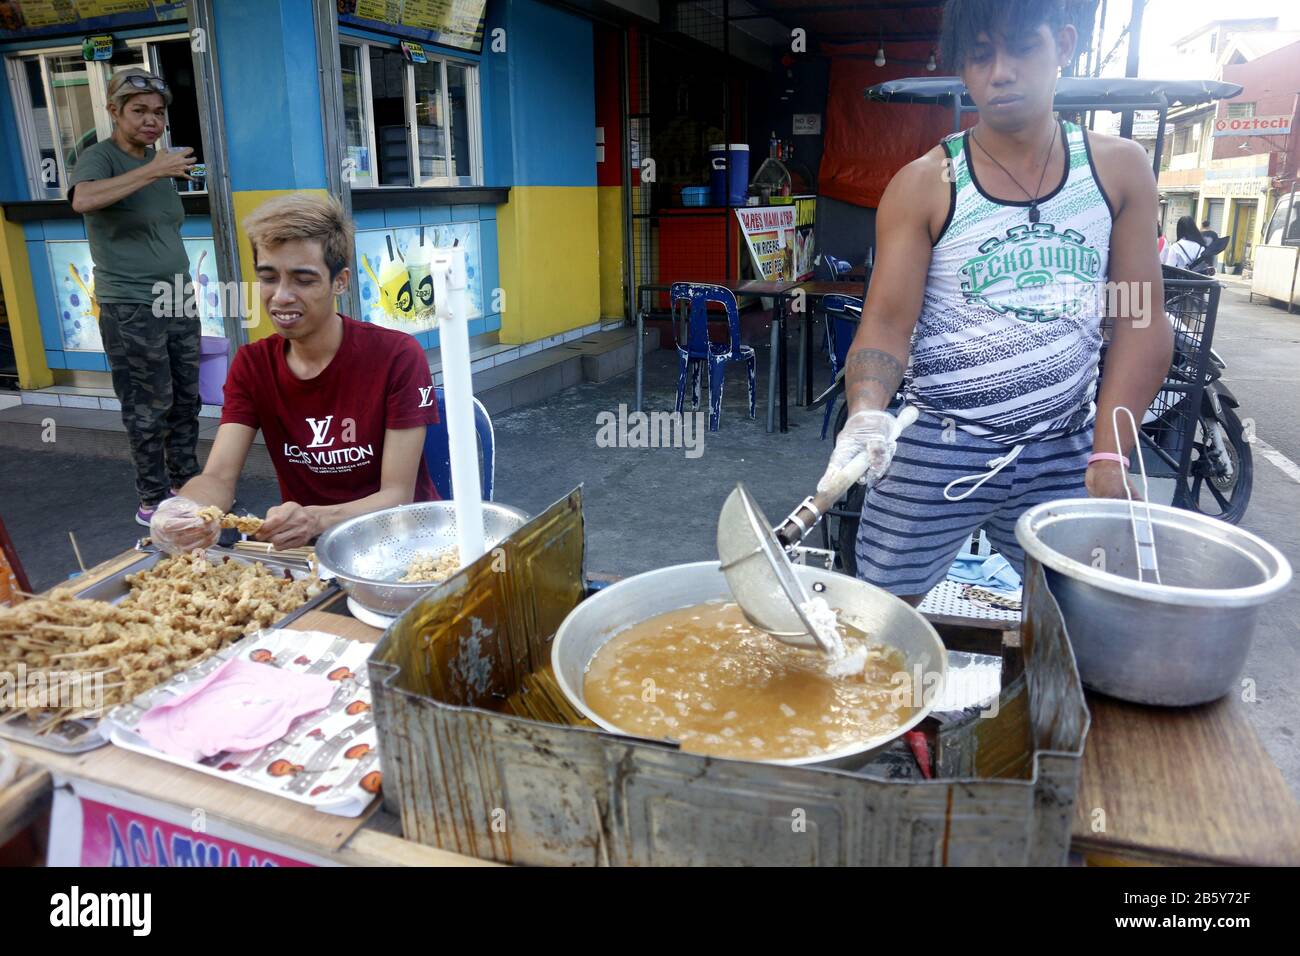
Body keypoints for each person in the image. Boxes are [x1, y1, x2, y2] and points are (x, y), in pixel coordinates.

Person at [821, 0, 1172, 603]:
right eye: (980, 56)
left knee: (1083, 617)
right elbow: (884, 325)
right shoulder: (925, 184)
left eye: (1021, 48)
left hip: (1065, 447)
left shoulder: (1117, 172)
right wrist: (866, 414)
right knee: (878, 617)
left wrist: (1111, 454)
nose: (1000, 72)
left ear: (1063, 45)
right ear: (963, 69)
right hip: (936, 441)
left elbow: (1139, 321)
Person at [149, 193, 441, 553]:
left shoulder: (397, 356)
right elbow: (218, 476)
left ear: (340, 282)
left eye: (303, 280)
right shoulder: (252, 365)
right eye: (269, 278)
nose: (281, 296)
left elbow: (397, 495)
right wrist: (186, 510)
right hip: (309, 549)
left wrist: (316, 519)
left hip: (404, 541)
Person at [68, 69, 201, 527]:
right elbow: (83, 200)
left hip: (177, 297)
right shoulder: (100, 158)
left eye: (159, 112)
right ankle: (152, 501)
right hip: (130, 303)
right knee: (149, 406)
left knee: (187, 400)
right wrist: (152, 170)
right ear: (114, 112)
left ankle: (188, 487)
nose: (151, 120)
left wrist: (156, 169)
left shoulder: (158, 165)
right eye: (139, 110)